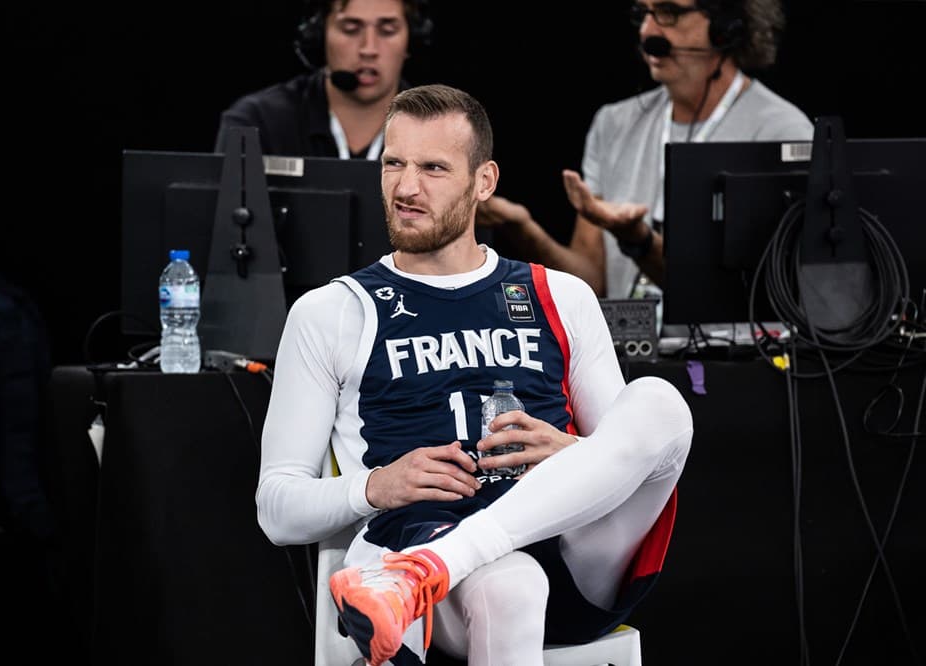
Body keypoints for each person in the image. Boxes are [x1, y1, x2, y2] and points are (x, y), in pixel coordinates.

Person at [257, 84, 694, 666]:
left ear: (483, 182)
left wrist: (571, 451)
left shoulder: (559, 294)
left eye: (433, 168)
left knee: (660, 402)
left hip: (574, 555)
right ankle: (434, 565)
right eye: (394, 164)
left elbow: (631, 452)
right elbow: (276, 507)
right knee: (511, 583)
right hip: (447, 565)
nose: (406, 188)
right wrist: (373, 487)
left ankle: (426, 572)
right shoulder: (332, 311)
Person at [478, 0, 813, 303]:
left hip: (732, 366)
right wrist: (521, 227)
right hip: (635, 361)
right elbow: (591, 283)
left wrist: (639, 240)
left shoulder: (782, 132)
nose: (647, 31)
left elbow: (761, 292)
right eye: (643, 14)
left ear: (727, 26)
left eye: (669, 13)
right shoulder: (614, 123)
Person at [214, 0, 432, 159]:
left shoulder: (437, 129)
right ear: (320, 35)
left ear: (411, 40)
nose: (369, 48)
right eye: (350, 29)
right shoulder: (258, 122)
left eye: (387, 30)